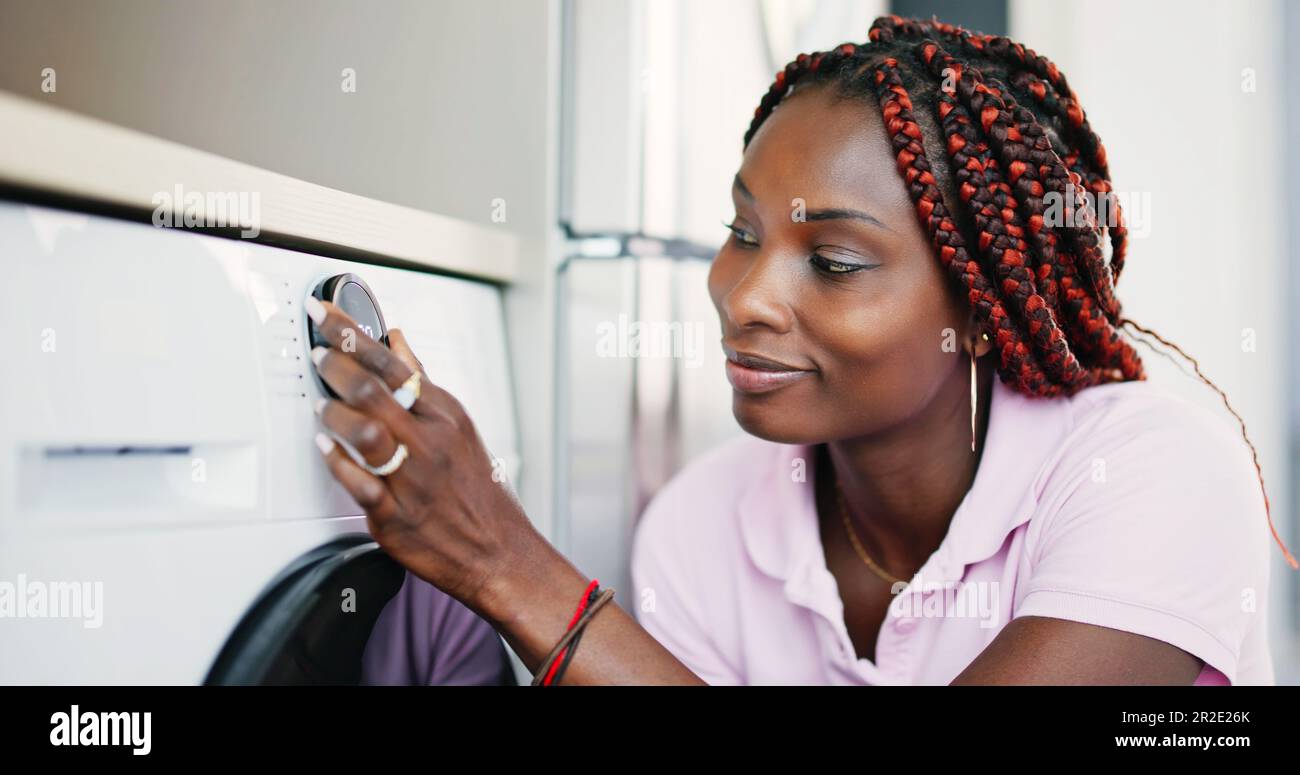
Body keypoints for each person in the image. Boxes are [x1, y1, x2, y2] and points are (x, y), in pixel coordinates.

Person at [308, 15, 1294, 685]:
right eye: (742, 234)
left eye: (829, 259)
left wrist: (504, 564)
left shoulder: (1147, 477)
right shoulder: (700, 525)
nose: (742, 297)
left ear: (984, 306)